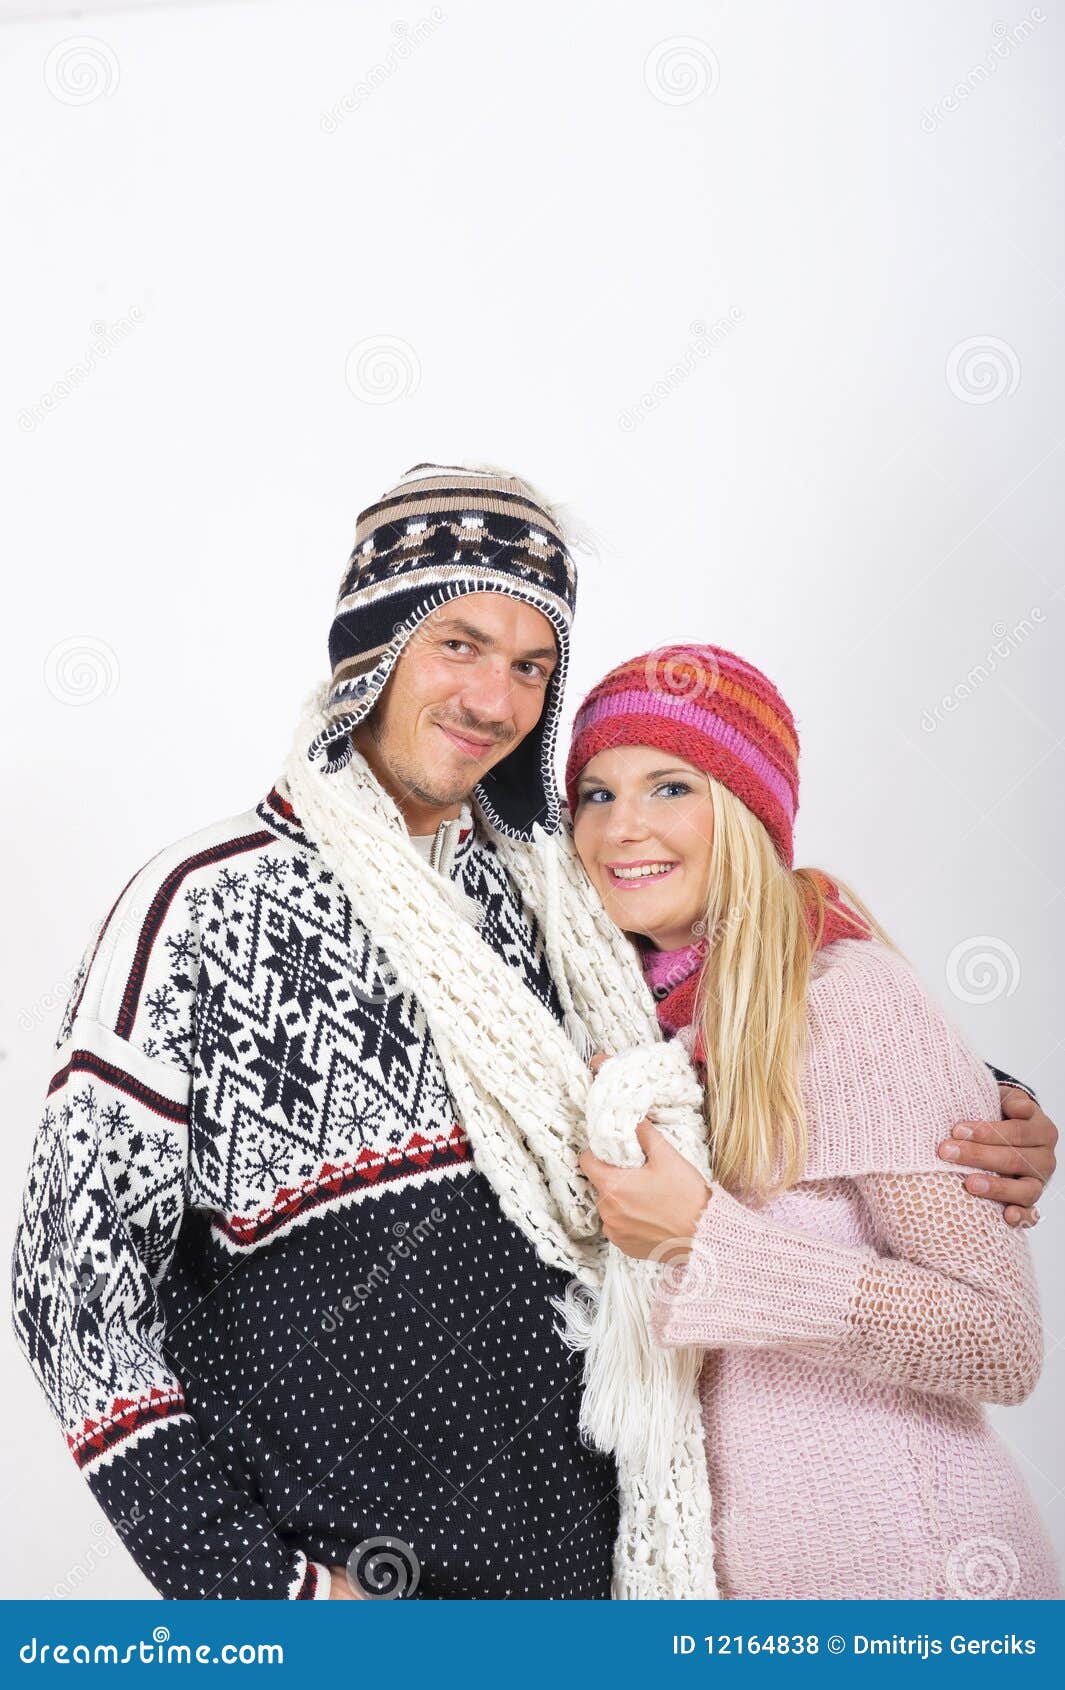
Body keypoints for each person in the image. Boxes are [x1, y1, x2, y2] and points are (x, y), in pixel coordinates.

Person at [10, 468, 1056, 1602]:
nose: (492, 699)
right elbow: (65, 1284)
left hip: (622, 1595)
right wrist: (262, 1594)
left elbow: (726, 1031)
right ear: (371, 647)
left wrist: (976, 1101)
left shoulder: (557, 899)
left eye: (531, 666)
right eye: (458, 643)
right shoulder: (206, 907)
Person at [568, 643, 1061, 1599]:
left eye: (671, 787)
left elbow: (999, 1341)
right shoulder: (632, 1032)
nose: (623, 827)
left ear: (747, 812)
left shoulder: (849, 999)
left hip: (916, 1587)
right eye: (596, 794)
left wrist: (708, 1244)